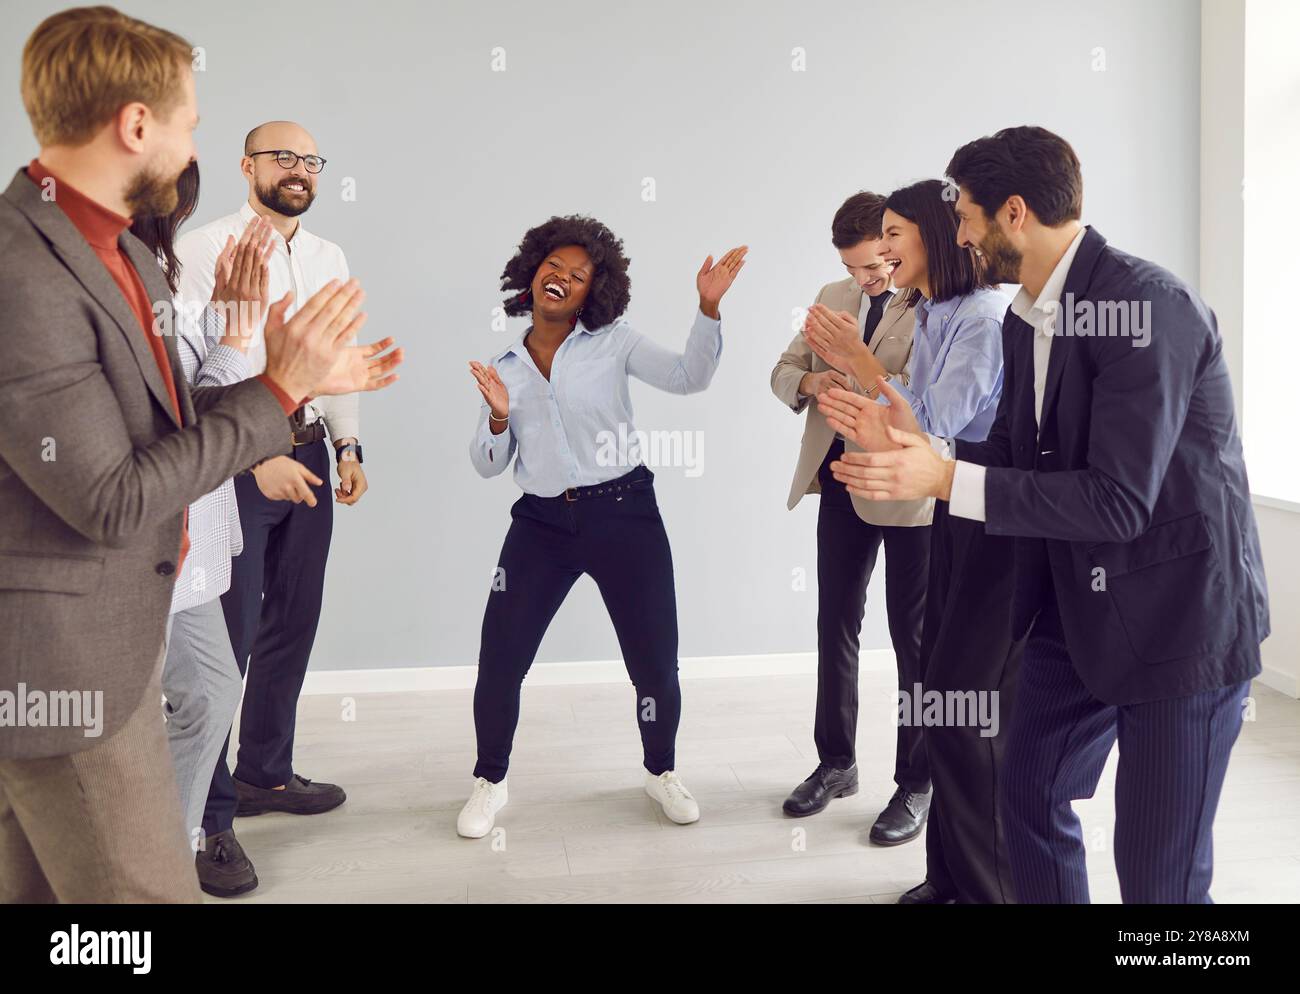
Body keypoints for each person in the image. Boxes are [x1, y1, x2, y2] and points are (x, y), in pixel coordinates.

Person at [0, 5, 401, 903]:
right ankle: (212, 823)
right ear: (137, 124)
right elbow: (108, 495)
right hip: (69, 666)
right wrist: (278, 392)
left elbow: (169, 414)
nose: (192, 149)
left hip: (129, 623)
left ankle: (258, 775)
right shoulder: (23, 267)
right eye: (190, 124)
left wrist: (306, 389)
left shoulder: (123, 255)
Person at [827, 126, 1268, 903]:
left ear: (1015, 213)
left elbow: (1117, 498)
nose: (958, 234)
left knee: (1158, 877)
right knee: (1021, 800)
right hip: (1079, 612)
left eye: (965, 216)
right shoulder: (1022, 317)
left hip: (1179, 627)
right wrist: (918, 440)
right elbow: (1010, 459)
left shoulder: (1143, 304)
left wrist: (941, 479)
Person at [458, 215, 746, 837]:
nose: (560, 278)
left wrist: (708, 307)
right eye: (552, 267)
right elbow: (485, 465)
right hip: (538, 524)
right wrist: (500, 419)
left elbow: (689, 378)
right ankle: (490, 780)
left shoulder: (615, 342)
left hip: (625, 515)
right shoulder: (501, 364)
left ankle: (661, 770)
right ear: (530, 273)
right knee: (500, 660)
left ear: (595, 291)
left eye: (578, 275)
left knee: (653, 664)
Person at [175, 121, 367, 896]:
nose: (297, 169)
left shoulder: (328, 257)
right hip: (237, 460)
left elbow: (341, 356)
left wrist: (349, 446)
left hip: (312, 448)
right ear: (247, 165)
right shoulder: (200, 250)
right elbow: (192, 374)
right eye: (281, 157)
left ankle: (264, 774)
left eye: (309, 160)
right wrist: (255, 452)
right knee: (228, 638)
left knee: (293, 616)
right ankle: (211, 820)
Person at [819, 179, 1014, 904]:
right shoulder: (933, 312)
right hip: (953, 511)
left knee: (958, 704)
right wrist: (861, 404)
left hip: (986, 519)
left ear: (933, 236)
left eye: (896, 234)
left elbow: (939, 422)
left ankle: (974, 882)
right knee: (946, 695)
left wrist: (866, 378)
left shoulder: (985, 316)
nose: (884, 247)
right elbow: (916, 420)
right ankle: (948, 878)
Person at [770, 191, 934, 847]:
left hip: (908, 489)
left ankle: (917, 782)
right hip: (839, 478)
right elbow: (785, 370)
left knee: (914, 642)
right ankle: (837, 762)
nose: (868, 280)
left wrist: (857, 372)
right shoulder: (832, 295)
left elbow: (919, 400)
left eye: (875, 266)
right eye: (857, 269)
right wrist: (814, 384)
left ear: (892, 247)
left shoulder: (931, 305)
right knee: (834, 620)